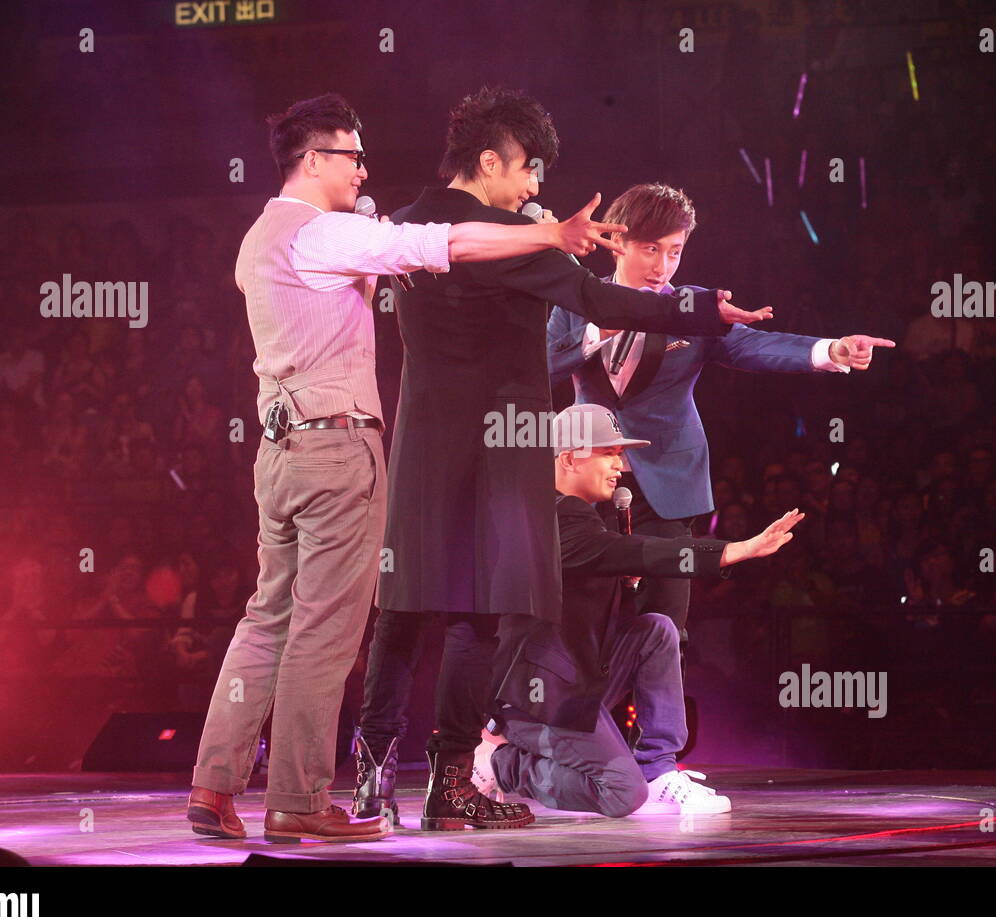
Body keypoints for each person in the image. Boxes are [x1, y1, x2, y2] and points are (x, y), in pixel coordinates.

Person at [186, 93, 628, 844]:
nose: (364, 166)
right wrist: (549, 232)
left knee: (268, 620)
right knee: (325, 631)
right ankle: (298, 798)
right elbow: (445, 244)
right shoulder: (323, 235)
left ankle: (213, 785)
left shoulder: (257, 238)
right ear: (316, 159)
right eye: (353, 155)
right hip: (336, 449)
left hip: (276, 451)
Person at [354, 88, 775, 830]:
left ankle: (370, 774)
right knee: (479, 620)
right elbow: (606, 303)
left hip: (422, 440)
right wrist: (703, 311)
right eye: (528, 172)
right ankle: (452, 786)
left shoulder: (406, 224)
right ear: (490, 161)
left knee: (402, 606)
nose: (534, 190)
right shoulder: (517, 239)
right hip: (504, 446)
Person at [547, 183, 894, 651]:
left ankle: (660, 726)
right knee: (585, 625)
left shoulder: (694, 307)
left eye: (674, 252)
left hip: (668, 483)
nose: (662, 266)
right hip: (589, 483)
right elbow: (545, 363)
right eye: (651, 249)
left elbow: (754, 347)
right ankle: (578, 720)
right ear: (619, 243)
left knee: (664, 629)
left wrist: (830, 350)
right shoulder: (579, 299)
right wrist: (605, 324)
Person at [481, 405, 804, 816]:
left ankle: (657, 767)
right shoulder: (555, 515)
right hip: (539, 695)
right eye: (608, 453)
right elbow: (643, 551)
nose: (621, 466)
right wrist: (732, 551)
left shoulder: (580, 514)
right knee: (621, 794)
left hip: (577, 679)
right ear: (568, 458)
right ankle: (501, 763)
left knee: (656, 630)